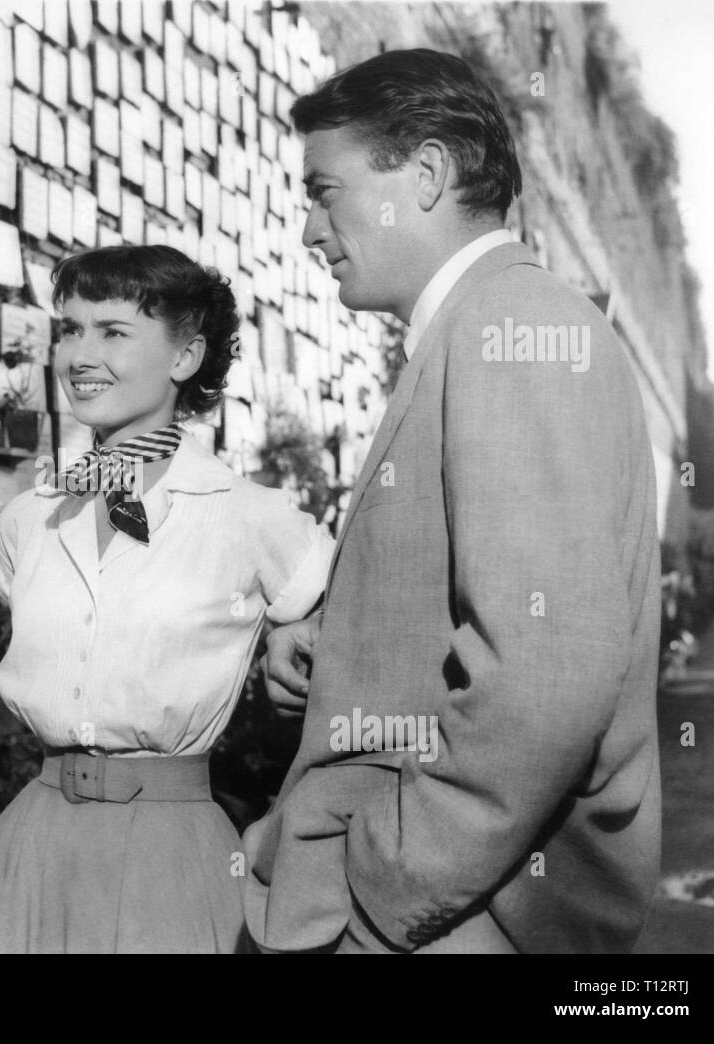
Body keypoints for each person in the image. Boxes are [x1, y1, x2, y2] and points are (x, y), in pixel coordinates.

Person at [243, 49, 661, 953]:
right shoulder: (491, 327)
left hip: (460, 919)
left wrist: (386, 881)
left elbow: (545, 684)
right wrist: (351, 648)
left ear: (425, 174)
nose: (311, 232)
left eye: (326, 191)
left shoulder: (516, 333)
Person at [0, 244, 334, 953]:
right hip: (34, 845)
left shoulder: (248, 517)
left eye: (112, 331)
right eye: (69, 329)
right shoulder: (28, 519)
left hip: (170, 849)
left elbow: (351, 612)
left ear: (186, 356)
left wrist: (300, 620)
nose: (79, 354)